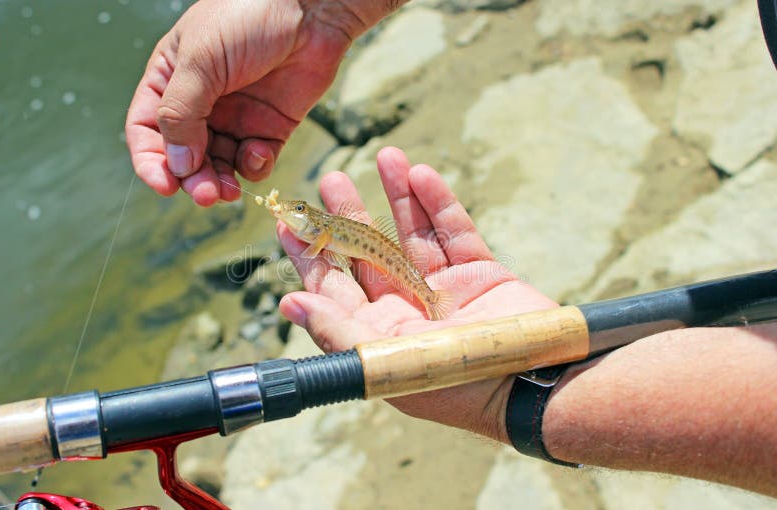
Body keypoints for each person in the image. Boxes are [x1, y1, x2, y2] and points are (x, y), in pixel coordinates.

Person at [125, 0, 777, 497]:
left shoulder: (319, 227)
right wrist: (319, 13)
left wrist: (520, 404)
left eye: (298, 216)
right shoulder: (318, 222)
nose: (293, 219)